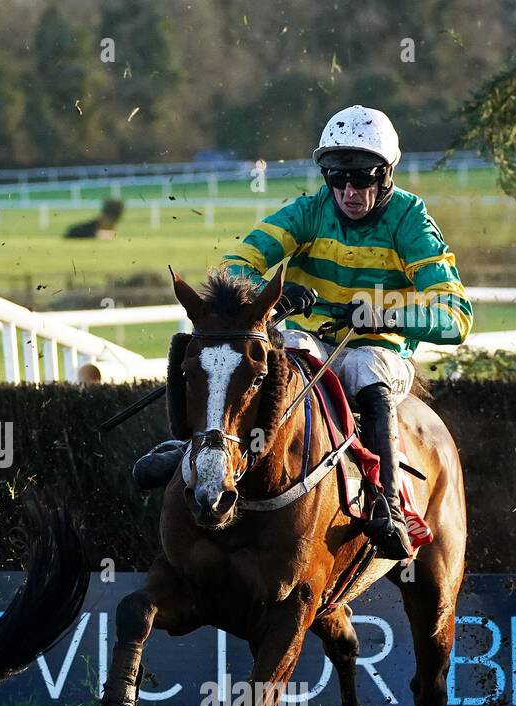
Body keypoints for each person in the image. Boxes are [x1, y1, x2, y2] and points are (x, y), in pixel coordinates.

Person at [135, 105, 472, 559]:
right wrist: (274, 294)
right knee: (260, 358)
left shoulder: (410, 220)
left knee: (365, 369)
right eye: (338, 178)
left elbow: (456, 315)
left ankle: (387, 503)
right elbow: (235, 266)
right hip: (311, 341)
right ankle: (193, 454)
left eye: (364, 178)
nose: (349, 191)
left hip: (378, 348)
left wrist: (384, 314)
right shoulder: (308, 211)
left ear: (387, 174)